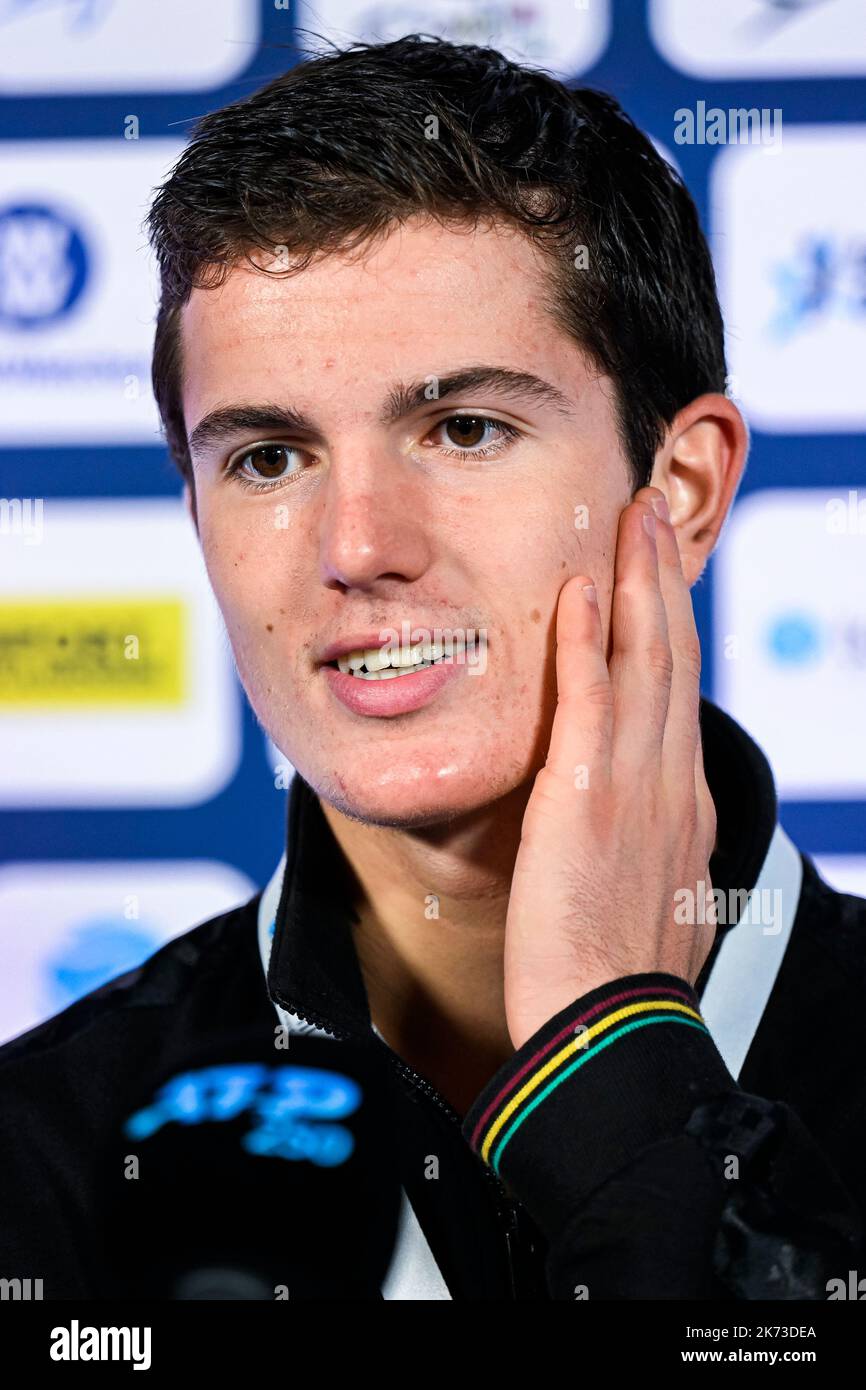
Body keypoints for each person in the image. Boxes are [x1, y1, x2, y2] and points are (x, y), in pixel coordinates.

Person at [0, 34, 863, 1301]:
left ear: (677, 491)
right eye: (268, 458)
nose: (356, 548)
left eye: (463, 429)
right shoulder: (43, 1163)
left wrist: (617, 1076)